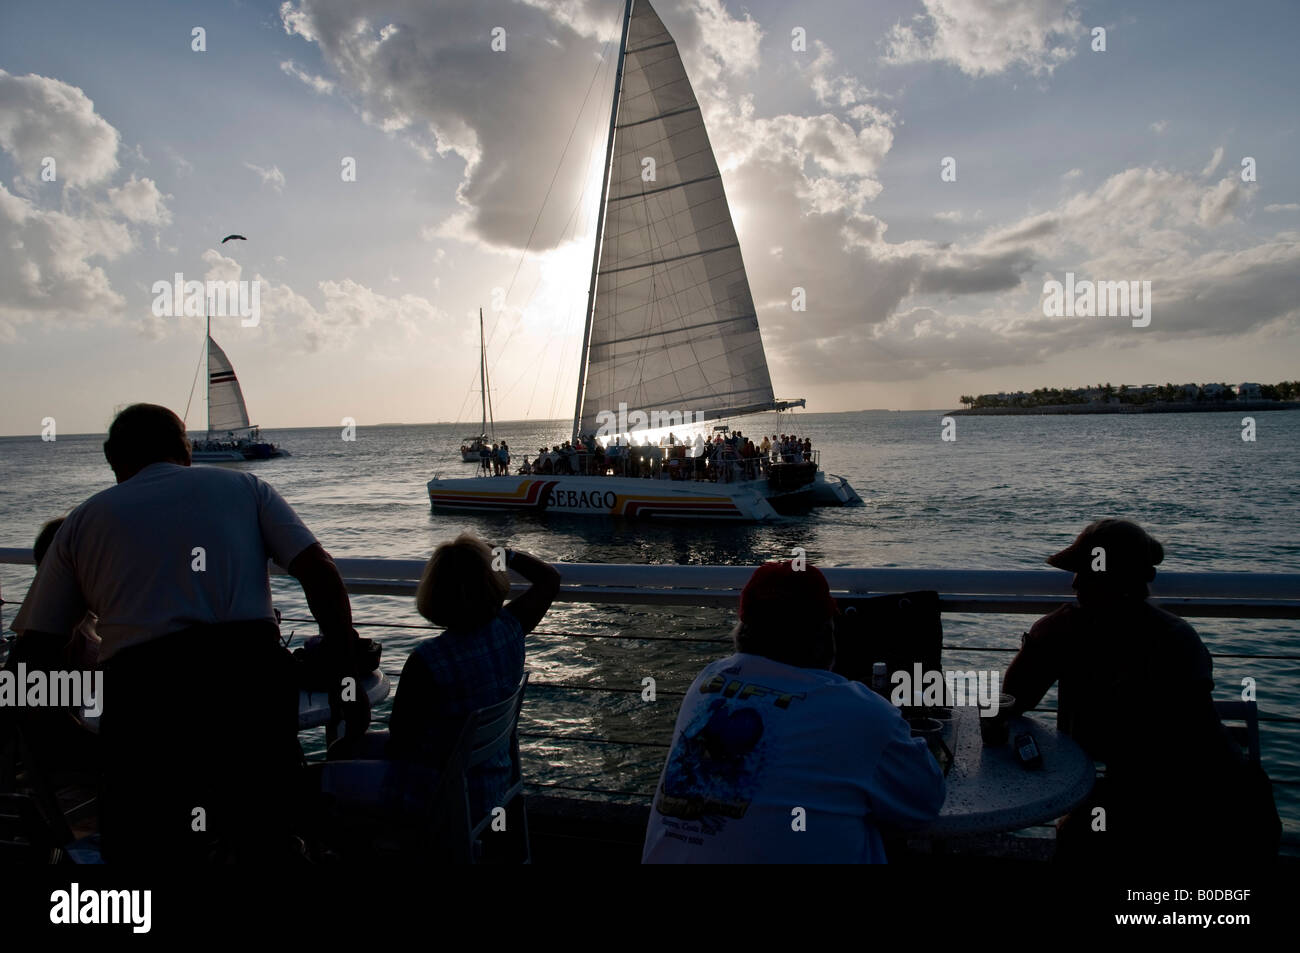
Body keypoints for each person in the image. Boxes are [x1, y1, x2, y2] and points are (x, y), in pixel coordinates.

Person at [16, 403, 366, 862]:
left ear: (111, 457)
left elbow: (34, 651)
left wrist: (72, 735)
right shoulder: (245, 487)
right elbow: (318, 569)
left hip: (145, 711)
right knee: (263, 841)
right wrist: (340, 656)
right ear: (185, 450)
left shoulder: (82, 523)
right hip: (250, 696)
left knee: (150, 850)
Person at [1003, 519, 1281, 864]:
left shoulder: (1098, 638)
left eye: (1086, 574)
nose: (1074, 583)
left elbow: (1011, 701)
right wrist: (1042, 642)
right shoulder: (1174, 635)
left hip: (1199, 810)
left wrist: (1044, 638)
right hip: (1229, 804)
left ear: (1116, 581)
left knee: (1080, 837)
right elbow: (1014, 700)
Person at [643, 561, 944, 863]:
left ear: (742, 630)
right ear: (826, 635)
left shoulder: (708, 681)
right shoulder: (861, 711)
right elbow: (926, 802)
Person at [382, 536, 560, 823]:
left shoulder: (427, 660)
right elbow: (549, 578)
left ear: (435, 590)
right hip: (495, 783)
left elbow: (401, 742)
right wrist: (504, 553)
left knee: (337, 762)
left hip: (439, 798)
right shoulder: (509, 629)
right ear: (491, 581)